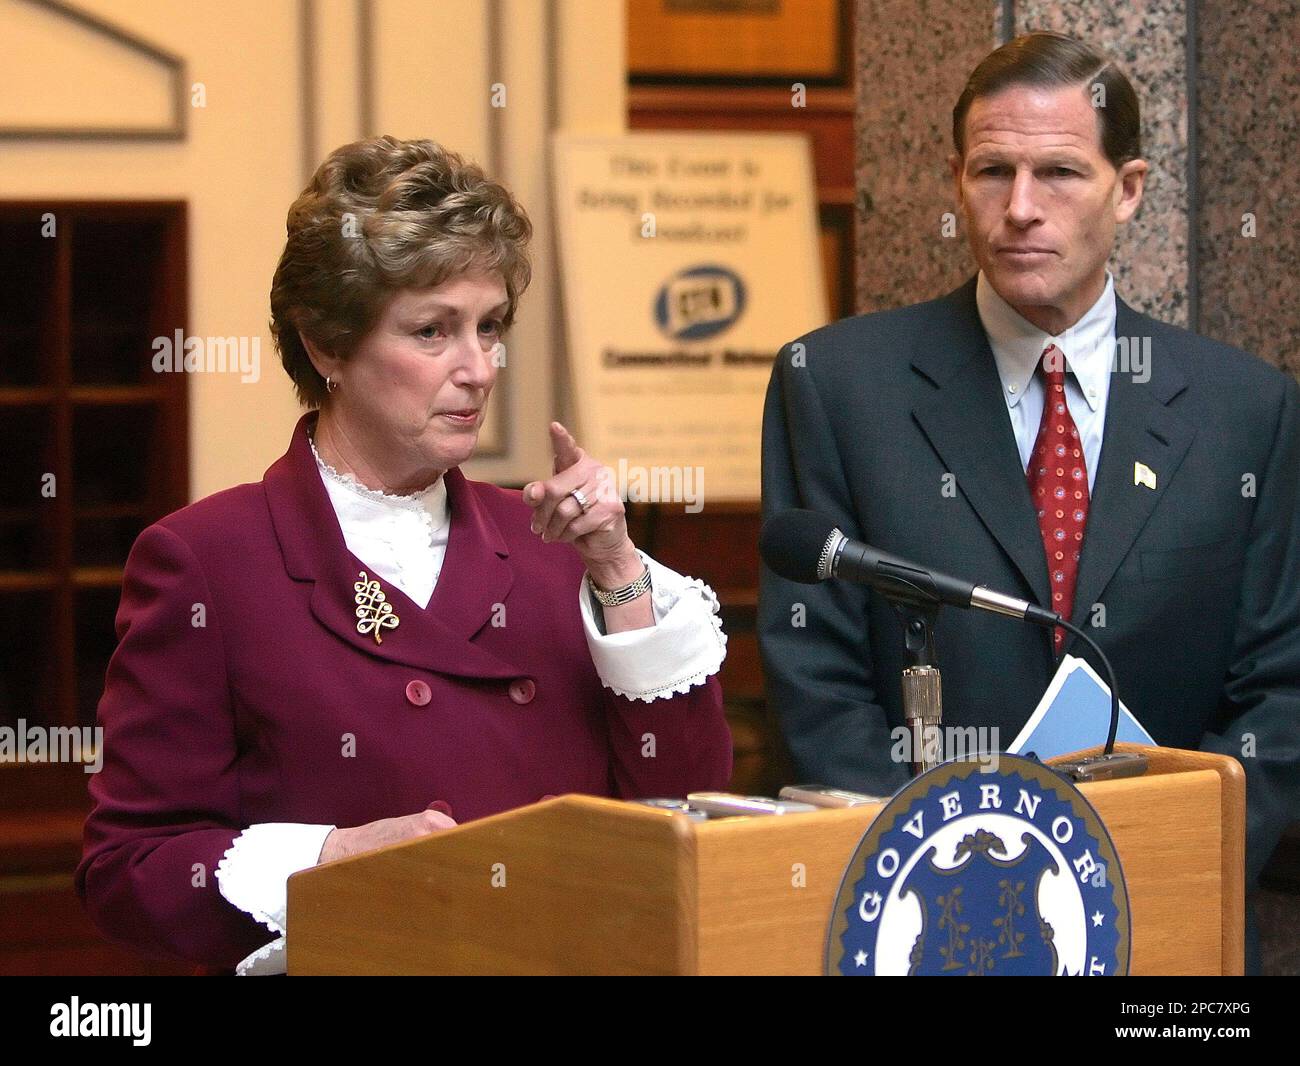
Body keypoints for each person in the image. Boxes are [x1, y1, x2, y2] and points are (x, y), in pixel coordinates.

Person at [76, 136, 732, 975]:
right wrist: (327, 860)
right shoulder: (208, 562)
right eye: (433, 331)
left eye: (489, 327)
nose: (479, 369)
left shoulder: (556, 547)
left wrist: (618, 572)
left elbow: (681, 814)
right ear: (325, 347)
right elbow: (129, 873)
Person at [759, 31, 1298, 973]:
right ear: (953, 178)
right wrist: (928, 860)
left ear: (1128, 189)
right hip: (927, 920)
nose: (1019, 209)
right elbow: (818, 684)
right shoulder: (840, 387)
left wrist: (1157, 860)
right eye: (991, 172)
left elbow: (1280, 691)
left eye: (1058, 173)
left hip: (1170, 926)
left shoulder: (1245, 409)